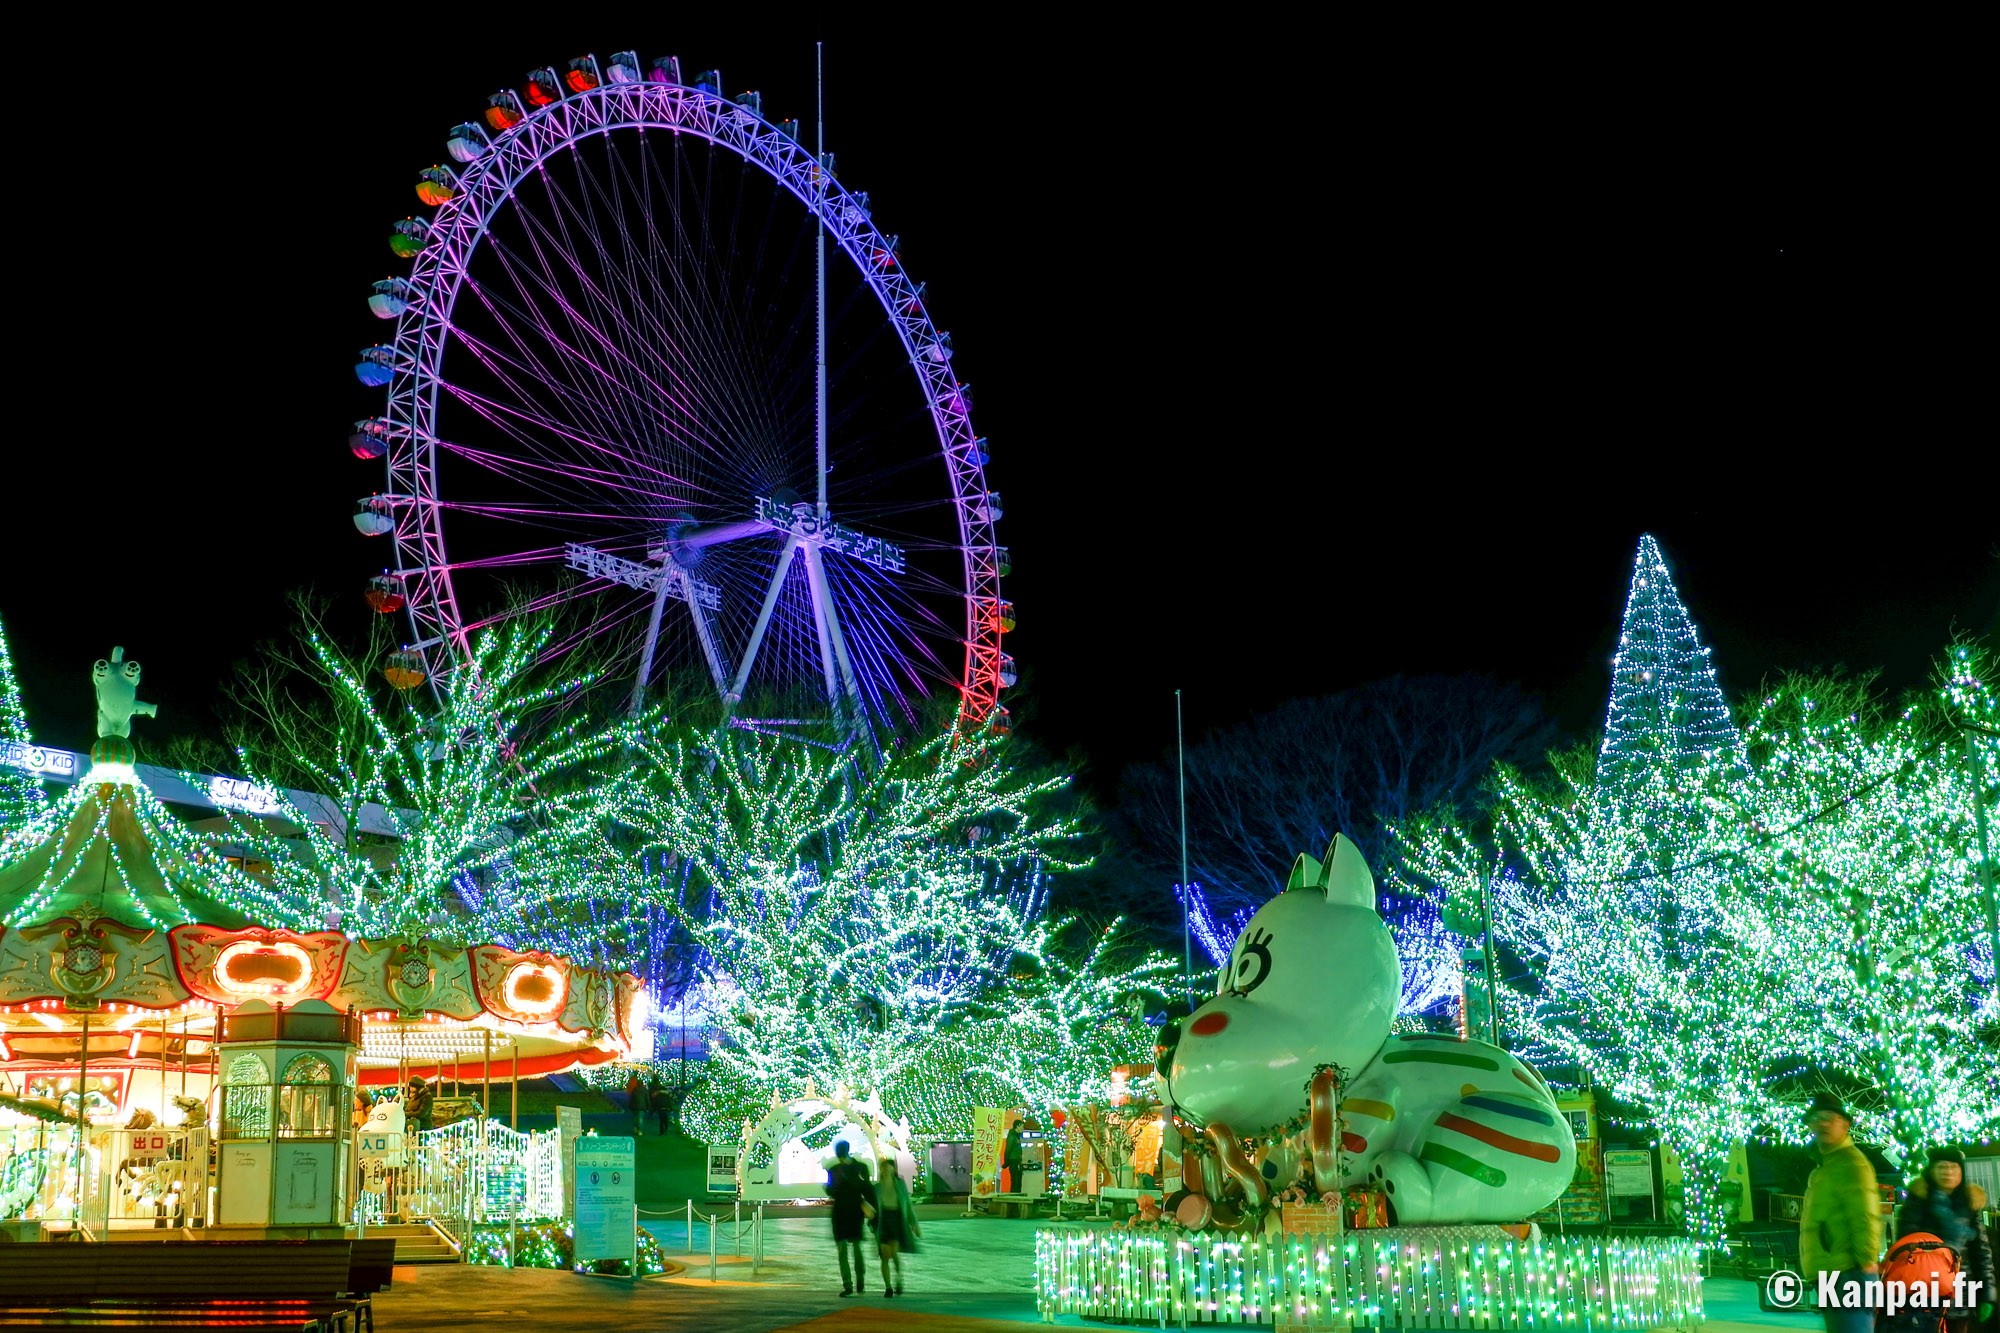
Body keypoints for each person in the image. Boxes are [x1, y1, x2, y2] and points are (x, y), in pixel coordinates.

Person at [1799, 1093, 1882, 1333]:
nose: (1823, 1123)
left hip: (1848, 1272)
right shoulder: (1824, 1166)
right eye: (1817, 1118)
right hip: (1831, 1271)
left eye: (1830, 1117)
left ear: (1845, 1125)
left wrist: (1866, 1260)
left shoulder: (1851, 1162)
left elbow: (1865, 1215)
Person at [1896, 1147, 1995, 1333]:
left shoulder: (1970, 1202)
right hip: (1925, 1290)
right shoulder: (1918, 1202)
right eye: (1942, 1167)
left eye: (1953, 1167)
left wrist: (1987, 1293)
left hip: (1963, 1290)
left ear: (1961, 1172)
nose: (1948, 1172)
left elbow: (1981, 1252)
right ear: (1932, 1170)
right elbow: (1905, 1250)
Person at [825, 1140, 874, 1296]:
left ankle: (850, 1283)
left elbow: (832, 1191)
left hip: (844, 1211)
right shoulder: (859, 1167)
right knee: (854, 1247)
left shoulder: (835, 1170)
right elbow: (867, 1189)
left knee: (844, 1249)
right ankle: (857, 1281)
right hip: (852, 1210)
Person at [871, 1152, 921, 1297]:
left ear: (894, 1169)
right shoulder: (877, 1187)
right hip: (882, 1222)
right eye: (883, 1168)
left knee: (894, 1253)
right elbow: (872, 1208)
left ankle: (899, 1278)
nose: (886, 1170)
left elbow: (908, 1206)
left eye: (888, 1167)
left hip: (896, 1220)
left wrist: (914, 1224)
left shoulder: (900, 1184)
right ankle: (888, 1287)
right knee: (884, 1255)